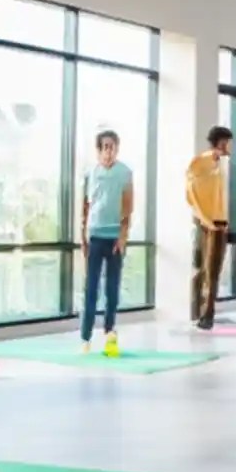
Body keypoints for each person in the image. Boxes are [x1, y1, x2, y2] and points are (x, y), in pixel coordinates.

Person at [79, 130, 133, 356]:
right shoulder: (90, 173)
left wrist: (122, 237)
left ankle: (110, 333)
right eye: (105, 146)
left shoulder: (125, 172)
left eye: (112, 146)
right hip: (94, 236)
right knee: (91, 288)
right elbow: (84, 206)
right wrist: (82, 236)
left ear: (117, 148)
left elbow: (128, 206)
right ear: (98, 149)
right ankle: (86, 337)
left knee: (112, 288)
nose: (108, 151)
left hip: (114, 239)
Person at [187, 126, 233, 331]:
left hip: (219, 223)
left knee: (212, 271)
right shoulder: (201, 163)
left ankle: (206, 314)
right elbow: (191, 192)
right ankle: (201, 313)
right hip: (207, 223)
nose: (229, 149)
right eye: (226, 144)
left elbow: (220, 195)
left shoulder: (221, 166)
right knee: (204, 270)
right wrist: (206, 220)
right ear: (220, 143)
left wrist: (223, 220)